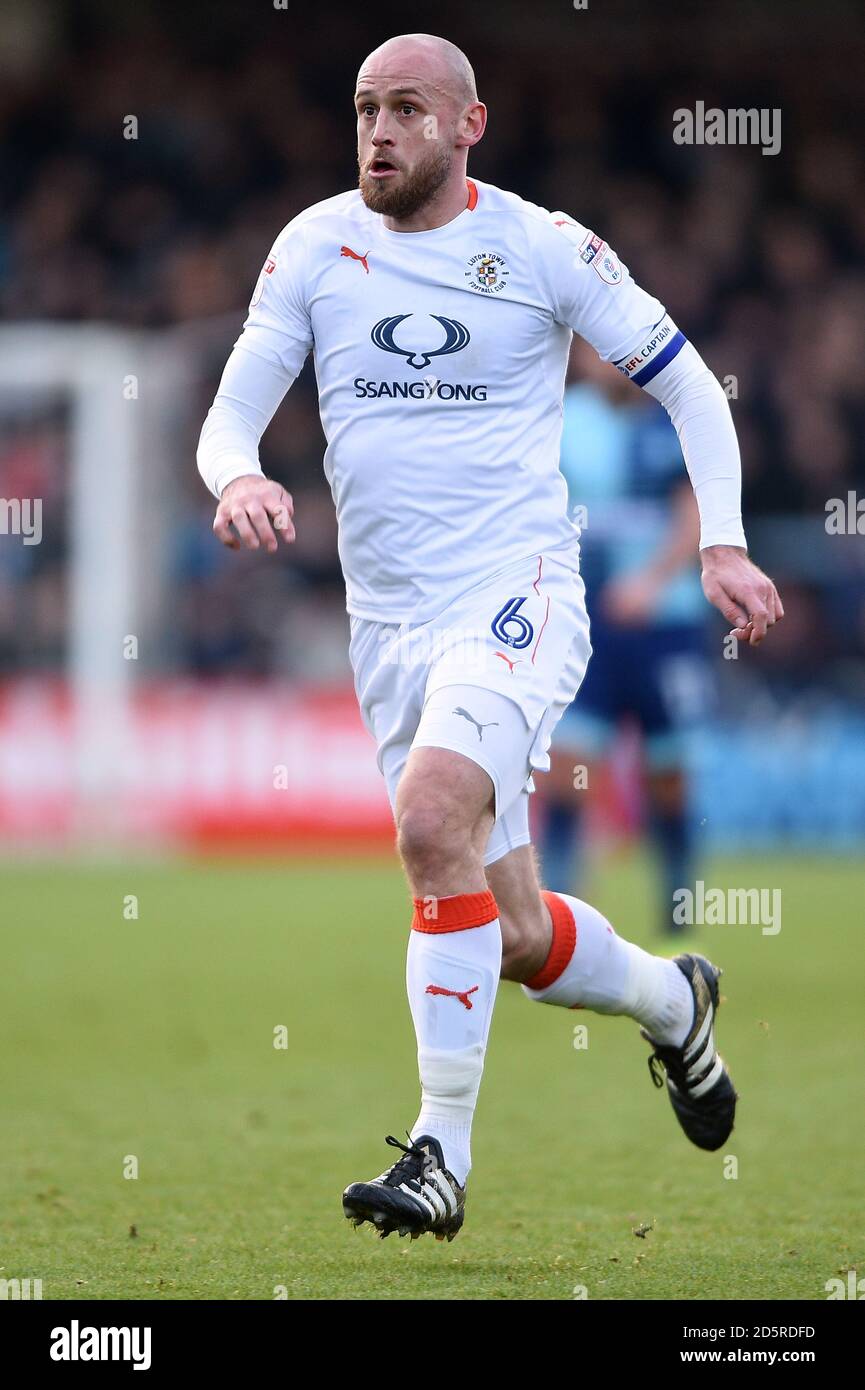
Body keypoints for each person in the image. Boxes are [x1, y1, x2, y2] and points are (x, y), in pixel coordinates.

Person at [197, 32, 783, 1243]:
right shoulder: (313, 247)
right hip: (391, 632)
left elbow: (684, 379)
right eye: (365, 108)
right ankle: (676, 1003)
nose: (379, 132)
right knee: (509, 933)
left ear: (468, 126)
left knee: (426, 822)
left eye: (407, 109)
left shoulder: (541, 246)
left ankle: (439, 1155)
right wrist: (238, 476)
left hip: (515, 595)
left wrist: (719, 541)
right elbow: (227, 418)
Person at [540, 339, 711, 934]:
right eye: (596, 351)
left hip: (665, 625)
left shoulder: (672, 419)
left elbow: (694, 518)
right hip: (583, 626)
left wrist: (650, 583)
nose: (609, 361)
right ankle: (557, 908)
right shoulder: (557, 418)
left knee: (668, 775)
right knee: (569, 766)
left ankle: (678, 900)